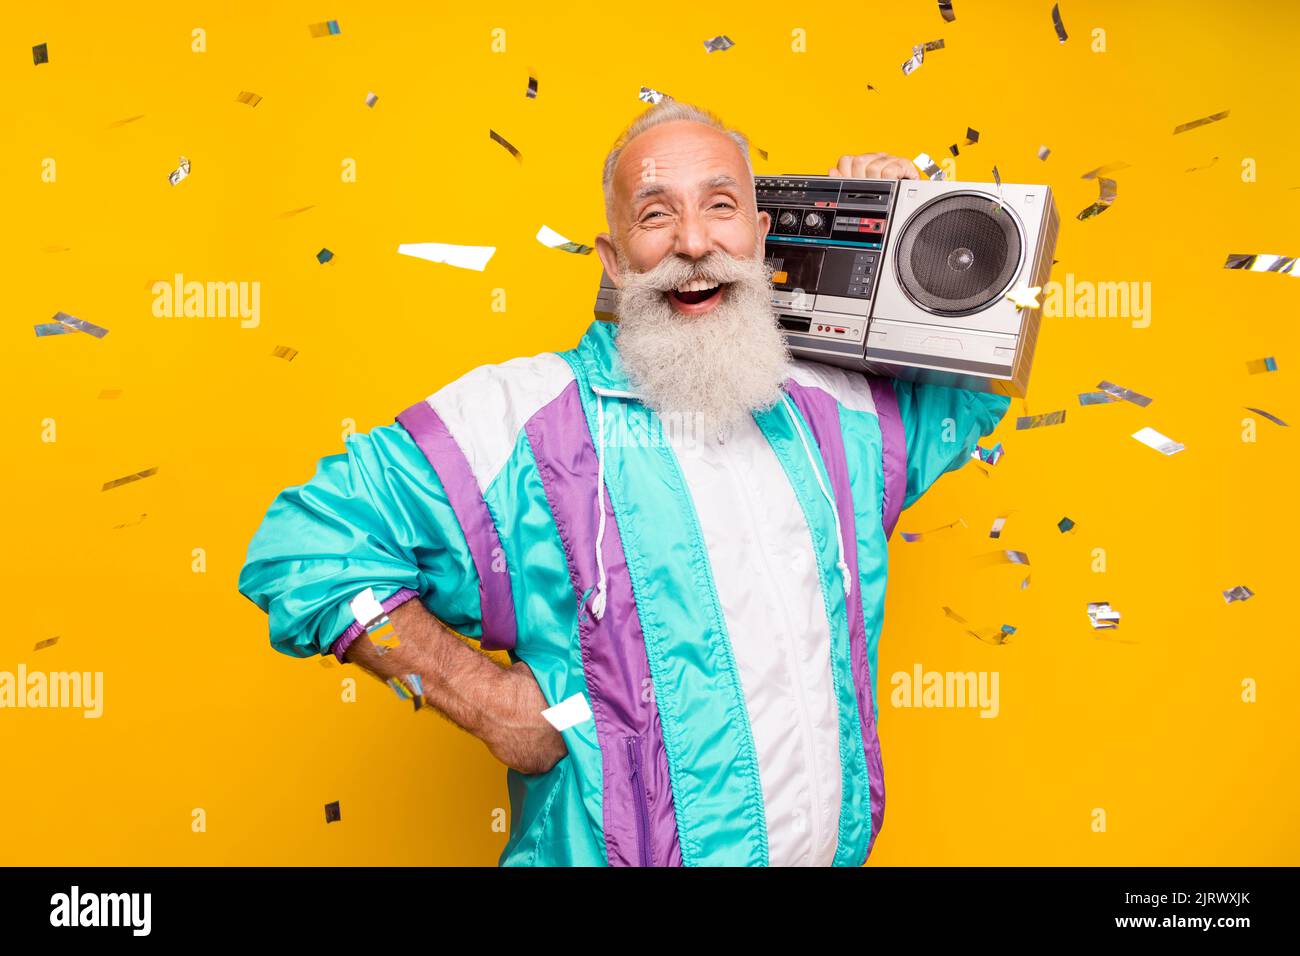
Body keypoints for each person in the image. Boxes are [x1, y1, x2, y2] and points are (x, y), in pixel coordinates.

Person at [238, 100, 1009, 866]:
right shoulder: (522, 420)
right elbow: (303, 550)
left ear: (760, 236)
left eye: (720, 207)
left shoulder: (837, 415)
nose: (695, 242)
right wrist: (484, 700)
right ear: (613, 260)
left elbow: (976, 392)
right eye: (655, 215)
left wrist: (917, 219)